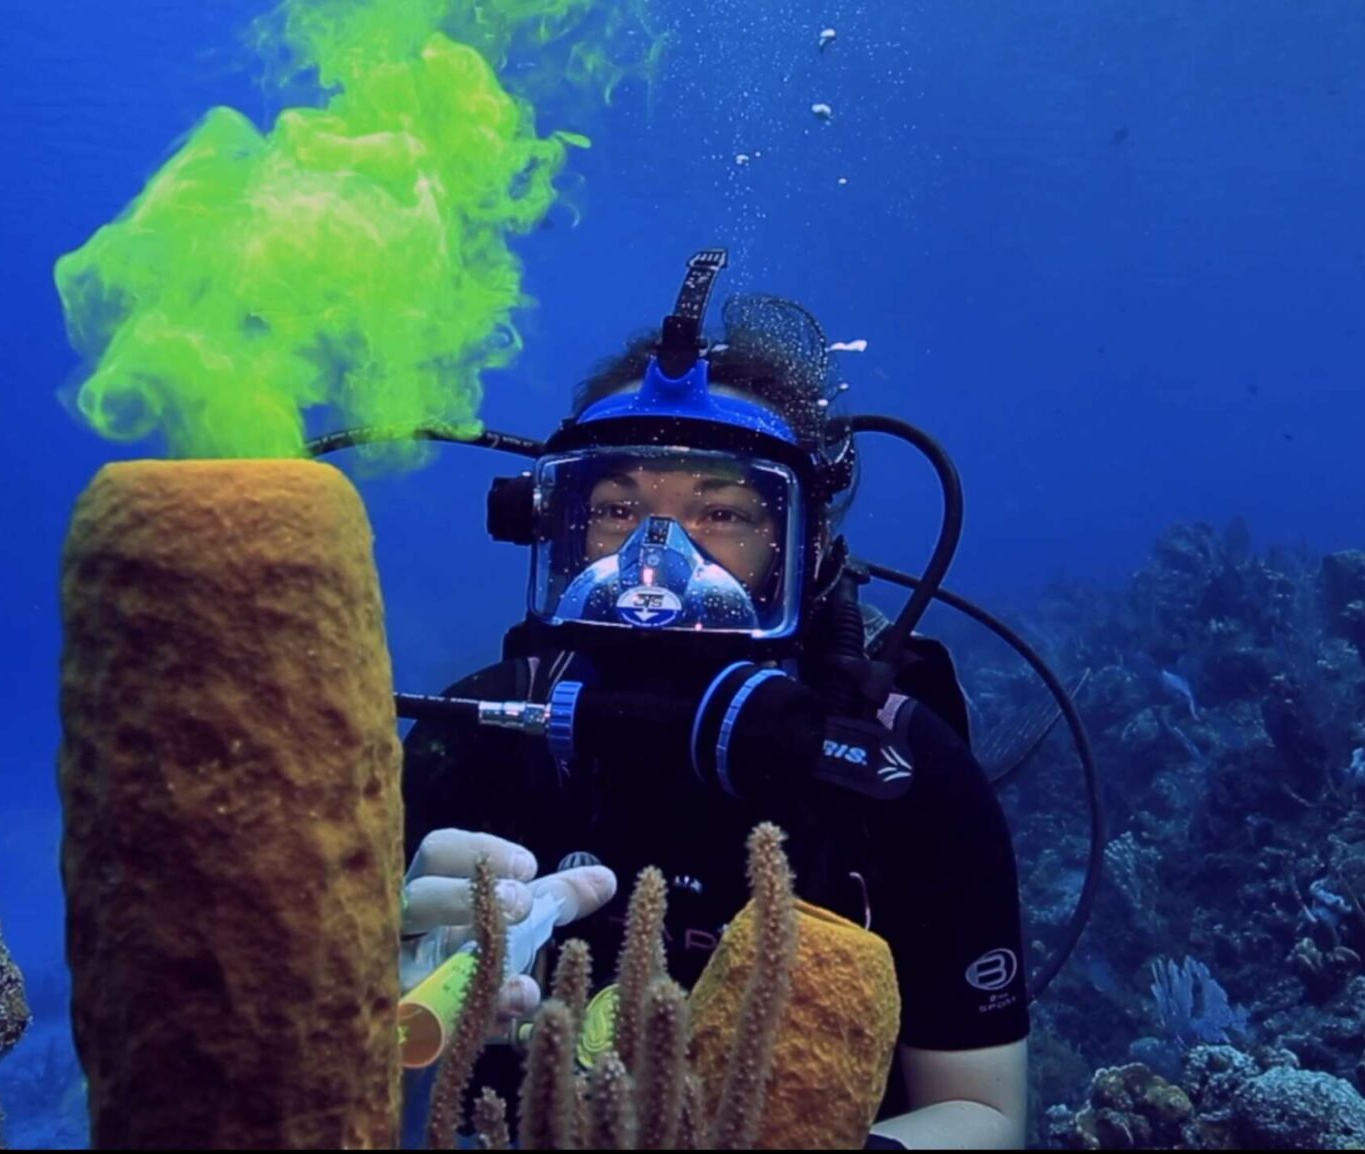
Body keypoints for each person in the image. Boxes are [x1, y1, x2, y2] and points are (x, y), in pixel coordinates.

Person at [398, 273, 1031, 1149]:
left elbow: (988, 1113)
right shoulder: (475, 734)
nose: (656, 559)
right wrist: (379, 965)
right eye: (618, 508)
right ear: (562, 525)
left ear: (802, 544)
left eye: (723, 511)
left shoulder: (899, 774)